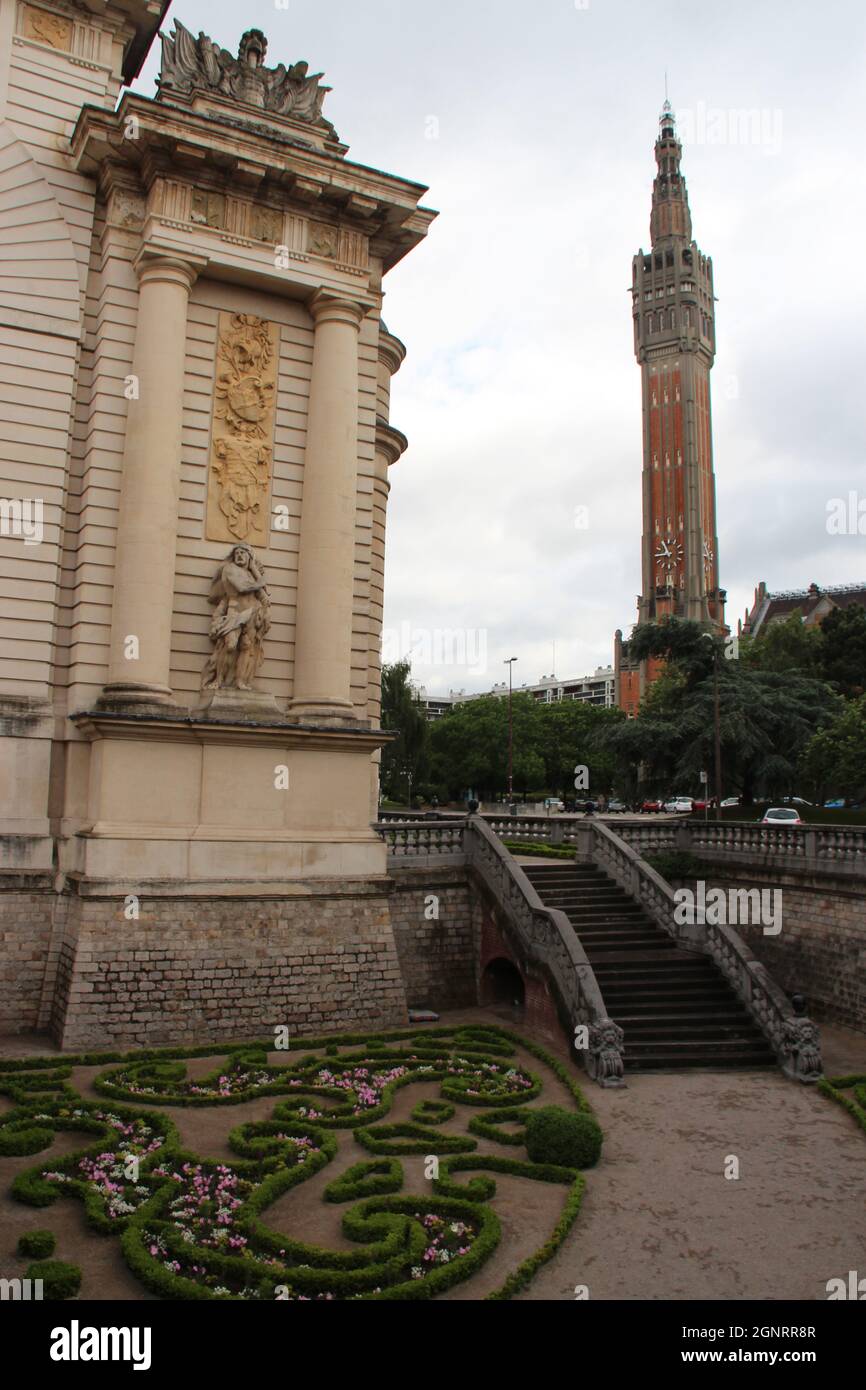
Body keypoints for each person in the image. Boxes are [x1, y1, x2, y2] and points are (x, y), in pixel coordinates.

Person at [201, 544, 270, 692]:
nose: (239, 555)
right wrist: (260, 581)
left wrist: (255, 571)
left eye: (243, 553)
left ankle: (240, 681)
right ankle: (218, 680)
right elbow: (241, 587)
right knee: (230, 644)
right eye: (237, 553)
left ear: (250, 558)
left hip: (252, 613)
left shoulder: (252, 575)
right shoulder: (230, 569)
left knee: (247, 646)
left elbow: (264, 595)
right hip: (235, 612)